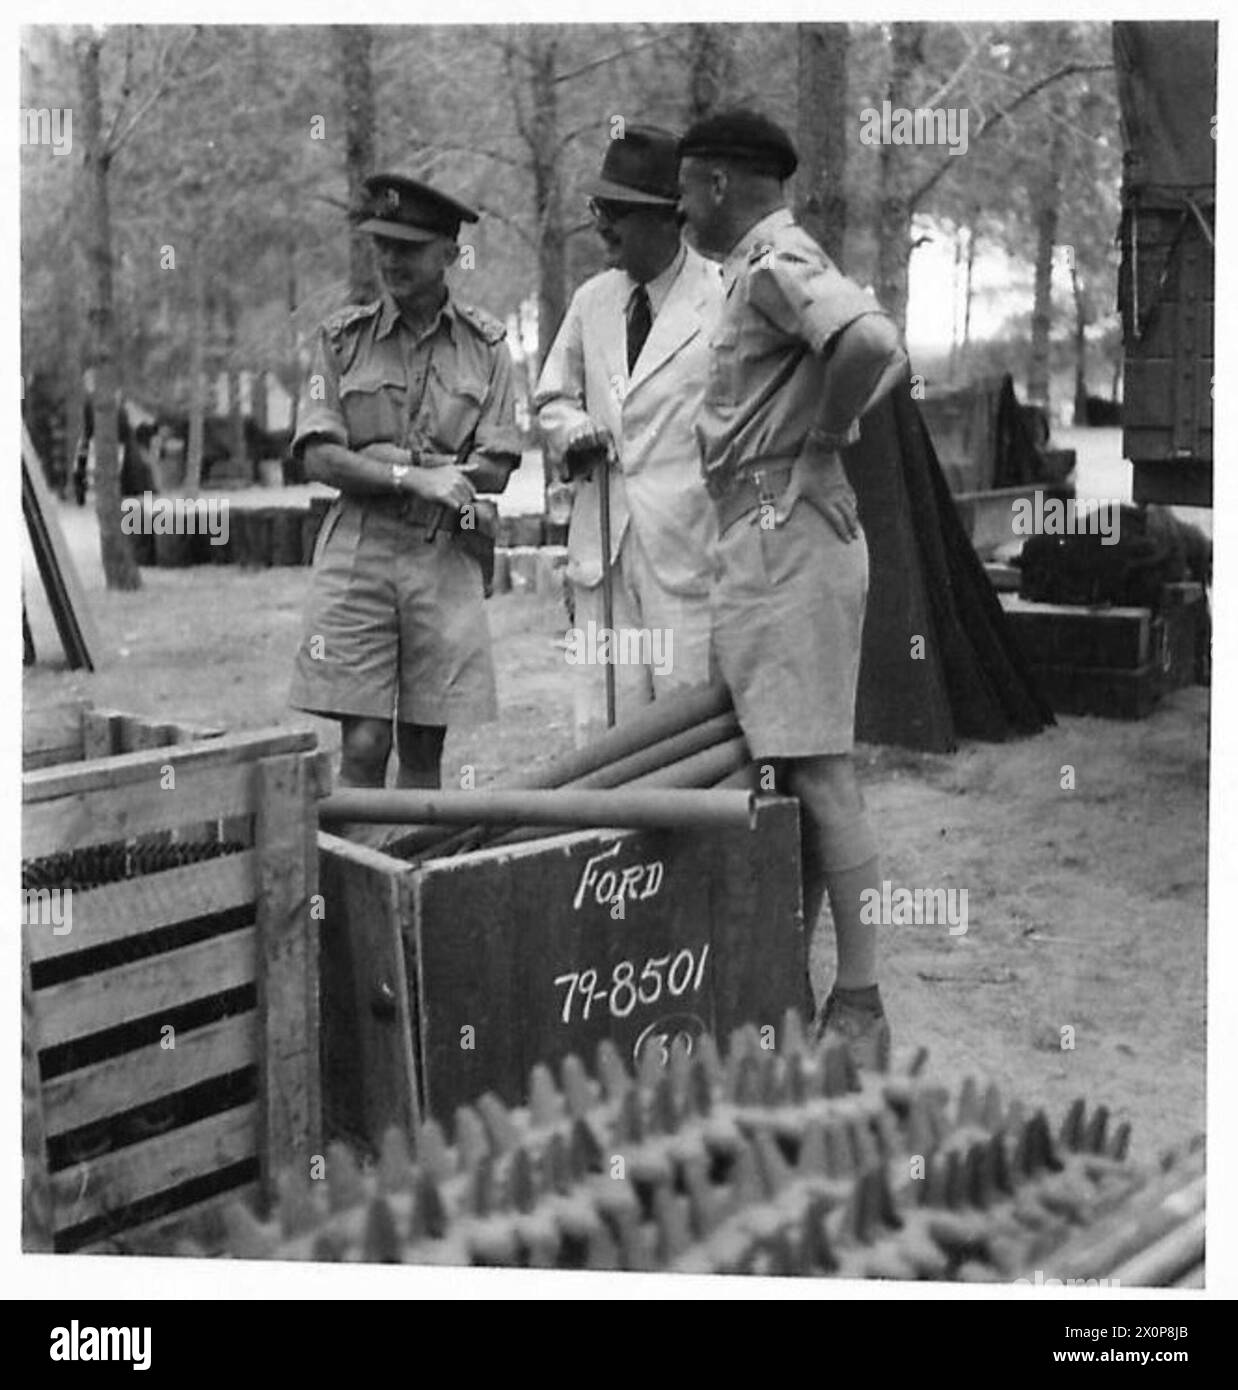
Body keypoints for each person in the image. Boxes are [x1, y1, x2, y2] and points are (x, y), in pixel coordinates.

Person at [677, 110, 909, 1069]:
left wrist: (819, 449)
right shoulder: (759, 268)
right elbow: (880, 358)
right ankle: (794, 987)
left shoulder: (774, 261)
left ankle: (859, 1004)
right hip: (768, 537)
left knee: (818, 772)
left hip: (788, 536)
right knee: (791, 768)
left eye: (686, 187)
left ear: (720, 185)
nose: (682, 205)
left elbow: (871, 342)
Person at [289, 172, 522, 794]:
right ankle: (353, 886)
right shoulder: (341, 341)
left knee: (424, 743)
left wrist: (383, 459)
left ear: (449, 254)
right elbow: (318, 455)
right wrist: (413, 474)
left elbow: (496, 464)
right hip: (357, 553)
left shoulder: (487, 347)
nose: (390, 260)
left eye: (409, 248)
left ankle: (413, 885)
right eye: (381, 245)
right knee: (363, 743)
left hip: (443, 553)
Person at [536, 125, 723, 745]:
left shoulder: (724, 299)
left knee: (685, 717)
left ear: (668, 219)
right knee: (601, 724)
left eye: (617, 212)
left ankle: (689, 844)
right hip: (602, 546)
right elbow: (552, 397)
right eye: (597, 209)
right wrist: (572, 430)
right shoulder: (592, 301)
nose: (601, 226)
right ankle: (606, 843)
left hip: (688, 549)